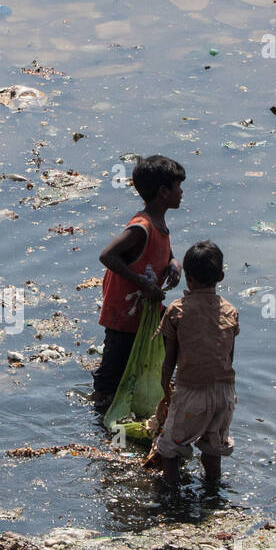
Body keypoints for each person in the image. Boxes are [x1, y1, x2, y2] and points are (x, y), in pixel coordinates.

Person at [91, 155, 184, 410]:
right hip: (124, 314)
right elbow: (107, 255)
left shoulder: (160, 223)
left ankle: (149, 395)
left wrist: (175, 264)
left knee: (161, 342)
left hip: (144, 313)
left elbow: (167, 253)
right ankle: (101, 407)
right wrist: (142, 282)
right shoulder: (141, 226)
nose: (182, 192)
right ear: (163, 192)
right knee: (112, 369)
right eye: (178, 187)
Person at [154, 241, 238, 486]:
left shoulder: (177, 310)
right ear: (220, 276)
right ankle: (212, 493)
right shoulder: (231, 311)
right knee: (213, 449)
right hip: (225, 394)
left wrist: (166, 391)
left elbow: (169, 359)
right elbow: (228, 356)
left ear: (187, 278)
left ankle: (171, 497)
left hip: (192, 393)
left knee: (169, 448)